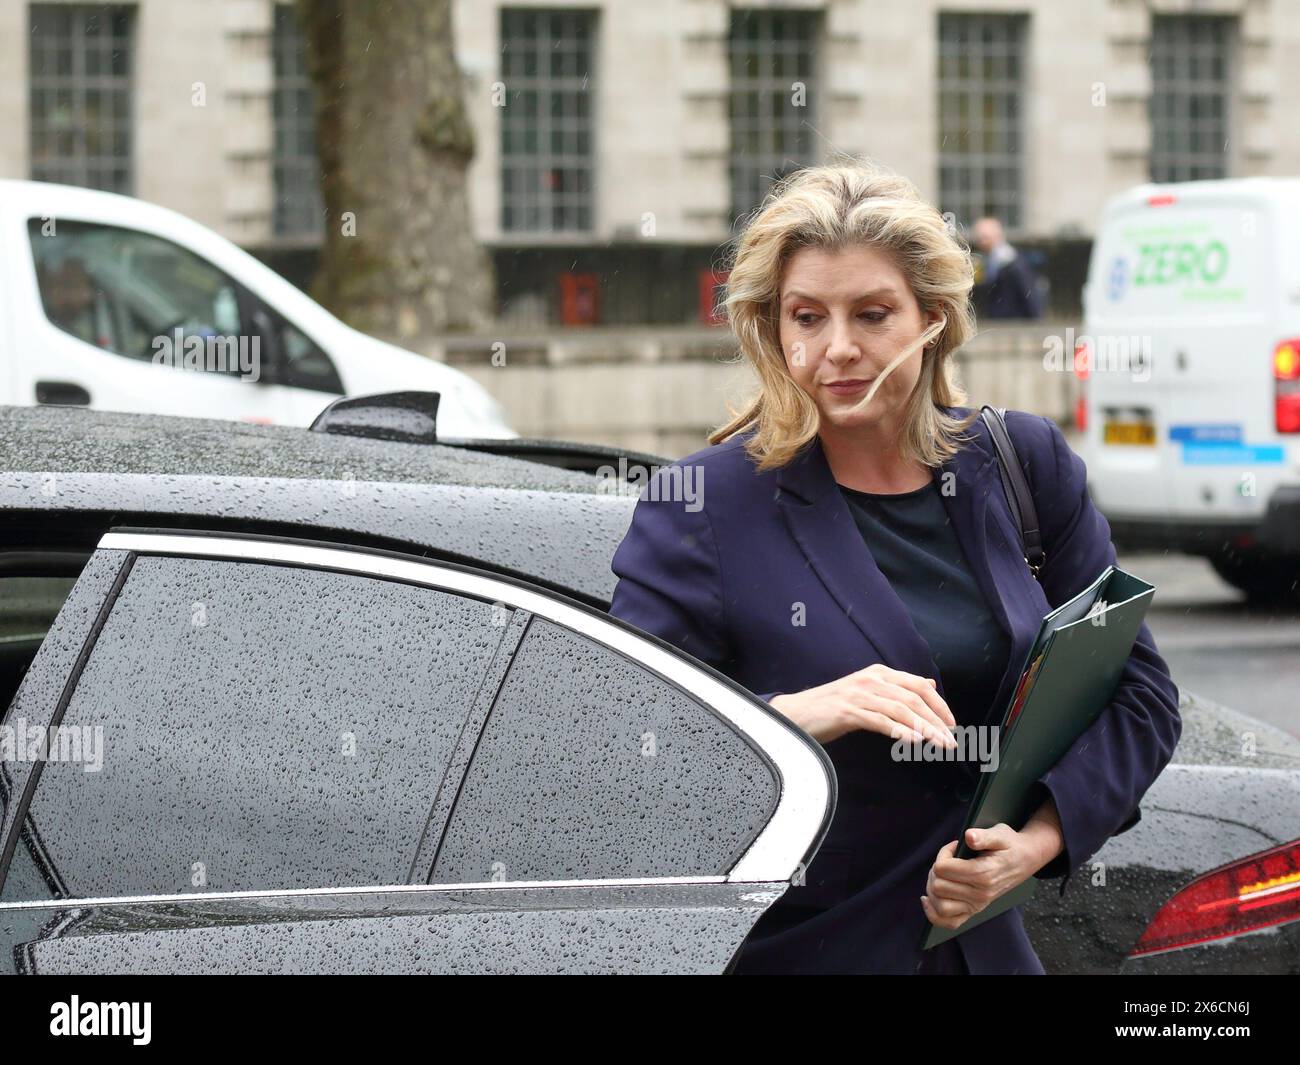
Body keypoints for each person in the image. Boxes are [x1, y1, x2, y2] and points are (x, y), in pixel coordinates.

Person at [607, 161, 1180, 975]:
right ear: (774, 328)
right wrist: (810, 709)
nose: (837, 348)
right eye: (807, 316)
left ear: (932, 320)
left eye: (872, 314)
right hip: (802, 952)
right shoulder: (703, 504)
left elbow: (1142, 695)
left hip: (986, 954)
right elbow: (635, 741)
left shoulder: (1024, 462)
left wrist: (1033, 843)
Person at [972, 216, 1043, 319]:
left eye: (986, 237)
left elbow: (1029, 295)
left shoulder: (1012, 261)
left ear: (998, 236)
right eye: (979, 238)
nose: (982, 242)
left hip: (1014, 321)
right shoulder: (987, 260)